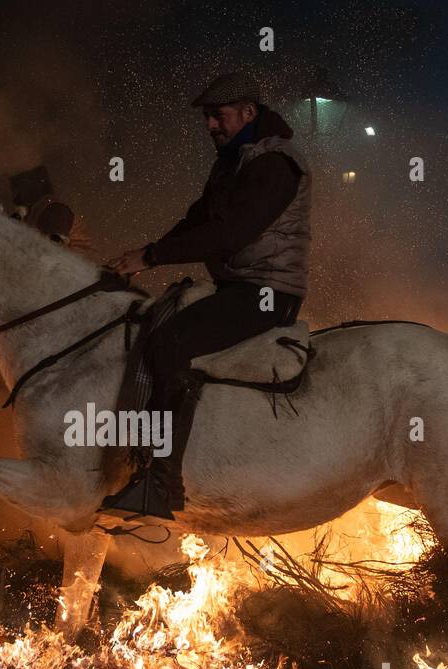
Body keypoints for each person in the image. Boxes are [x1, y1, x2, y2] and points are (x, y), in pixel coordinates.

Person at [101, 71, 312, 519]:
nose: (210, 126)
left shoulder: (274, 164)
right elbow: (197, 220)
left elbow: (228, 233)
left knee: (171, 343)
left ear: (248, 112)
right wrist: (140, 255)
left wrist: (154, 256)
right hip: (238, 286)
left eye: (218, 116)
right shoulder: (233, 160)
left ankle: (161, 487)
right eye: (207, 118)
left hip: (269, 292)